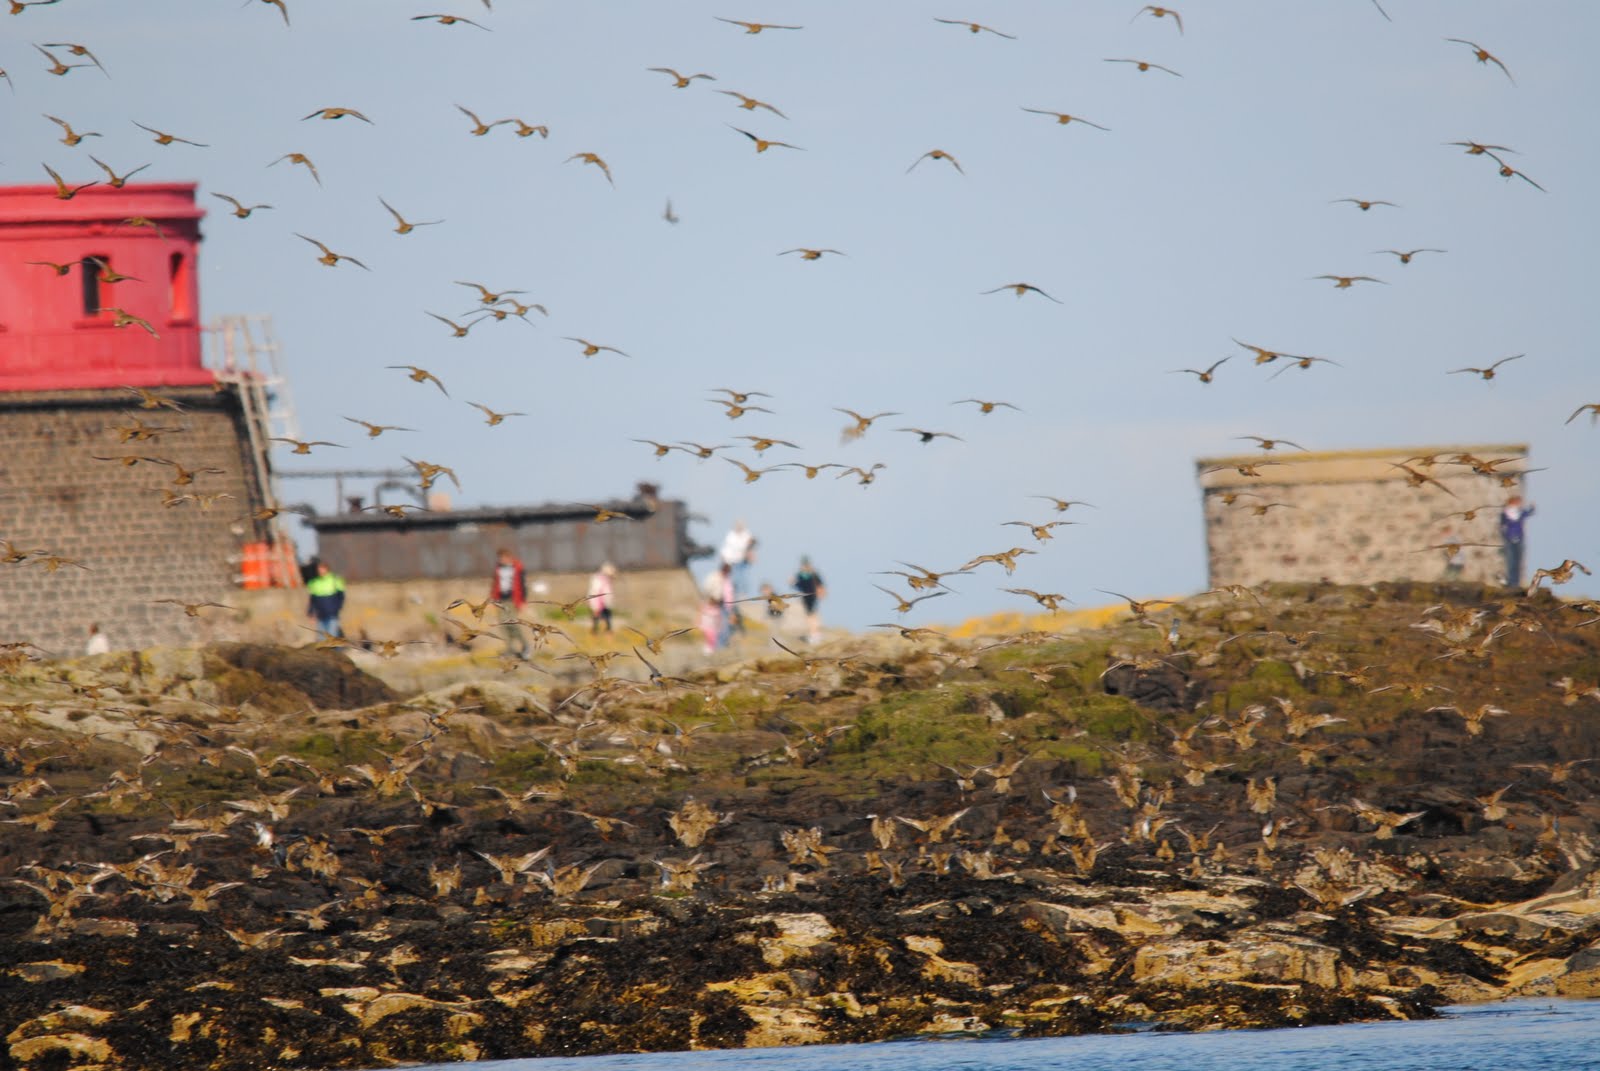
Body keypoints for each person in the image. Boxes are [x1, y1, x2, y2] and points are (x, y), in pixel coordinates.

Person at [488, 547, 529, 658]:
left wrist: (523, 601)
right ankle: (510, 648)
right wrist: (492, 599)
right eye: (499, 558)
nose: (501, 560)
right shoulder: (498, 568)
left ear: (508, 557)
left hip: (513, 600)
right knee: (502, 624)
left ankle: (525, 646)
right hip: (501, 600)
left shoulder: (517, 567)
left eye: (502, 557)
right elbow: (495, 584)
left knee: (513, 623)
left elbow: (523, 585)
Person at [720, 520, 756, 633]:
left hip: (741, 559)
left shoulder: (746, 534)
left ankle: (742, 593)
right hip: (733, 560)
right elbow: (727, 548)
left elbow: (751, 545)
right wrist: (725, 559)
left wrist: (750, 553)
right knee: (734, 580)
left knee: (742, 578)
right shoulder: (731, 536)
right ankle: (737, 594)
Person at [1498, 495, 1534, 589]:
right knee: (1511, 561)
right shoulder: (1505, 513)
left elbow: (1529, 512)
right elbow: (1502, 526)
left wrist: (1532, 507)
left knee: (1517, 561)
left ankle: (1515, 582)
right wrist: (1505, 536)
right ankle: (1512, 581)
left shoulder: (1519, 512)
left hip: (1518, 538)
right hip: (1510, 538)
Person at [306, 560, 346, 638]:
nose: (320, 571)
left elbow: (341, 596)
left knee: (332, 637)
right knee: (321, 638)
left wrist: (337, 608)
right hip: (320, 615)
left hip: (332, 615)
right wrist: (311, 613)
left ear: (327, 569)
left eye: (322, 569)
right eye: (318, 569)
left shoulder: (335, 580)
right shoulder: (314, 582)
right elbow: (313, 600)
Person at [792, 556, 826, 645]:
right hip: (805, 597)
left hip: (812, 596)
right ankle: (814, 634)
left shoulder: (813, 574)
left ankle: (815, 634)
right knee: (810, 615)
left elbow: (820, 585)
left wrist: (822, 593)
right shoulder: (800, 574)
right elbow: (798, 586)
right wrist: (793, 583)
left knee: (812, 615)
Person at [698, 563, 730, 655]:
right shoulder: (713, 577)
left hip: (719, 604)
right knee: (711, 632)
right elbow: (706, 589)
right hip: (712, 602)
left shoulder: (725, 579)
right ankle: (712, 648)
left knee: (718, 630)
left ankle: (716, 648)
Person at [587, 562, 617, 634]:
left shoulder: (605, 579)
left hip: (604, 602)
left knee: (606, 617)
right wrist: (597, 604)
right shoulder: (598, 579)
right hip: (598, 602)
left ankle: (606, 631)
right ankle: (596, 631)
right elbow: (596, 591)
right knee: (598, 617)